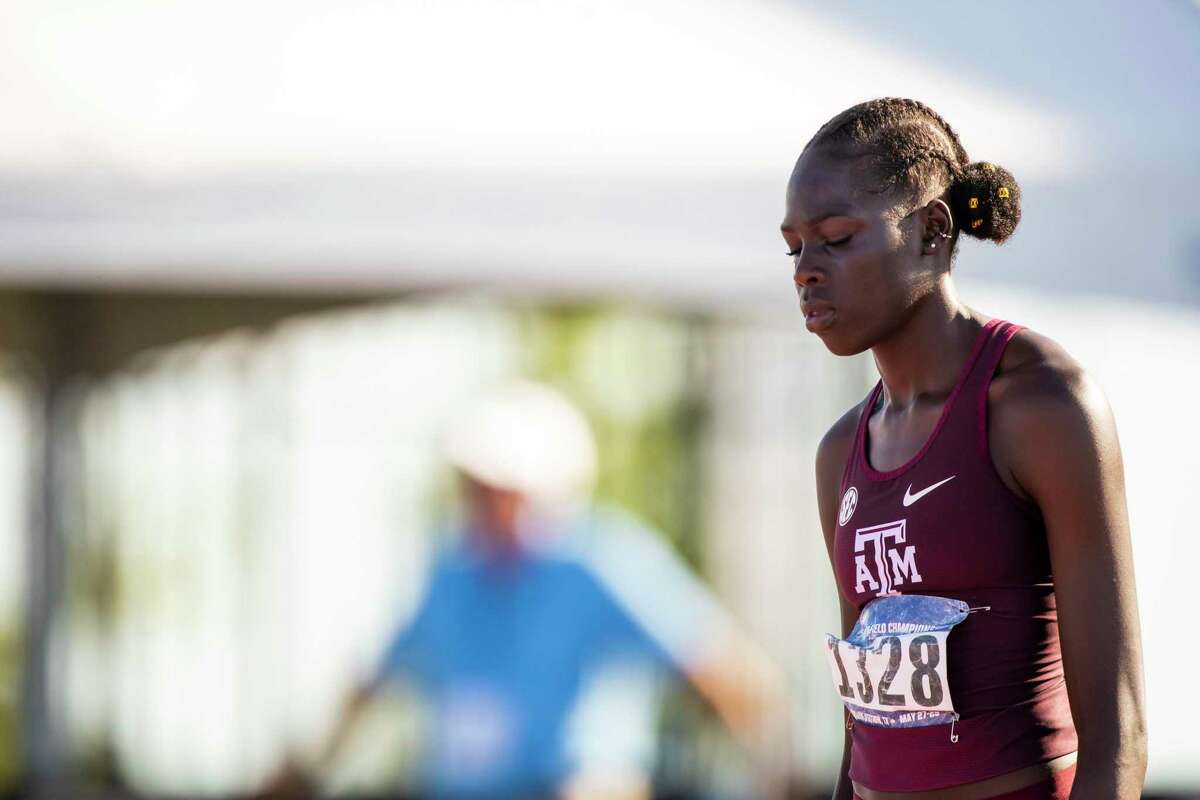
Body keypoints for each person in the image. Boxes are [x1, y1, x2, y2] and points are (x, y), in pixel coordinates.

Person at [780, 98, 1146, 800]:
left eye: (836, 238)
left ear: (931, 230)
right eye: (794, 246)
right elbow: (862, 727)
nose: (806, 270)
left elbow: (1118, 739)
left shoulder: (1042, 407)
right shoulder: (840, 452)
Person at [261, 381, 790, 799]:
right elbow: (373, 682)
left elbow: (726, 669)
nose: (481, 499)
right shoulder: (450, 572)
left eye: (496, 487)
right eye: (474, 484)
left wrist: (774, 776)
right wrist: (303, 771)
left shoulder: (602, 560)